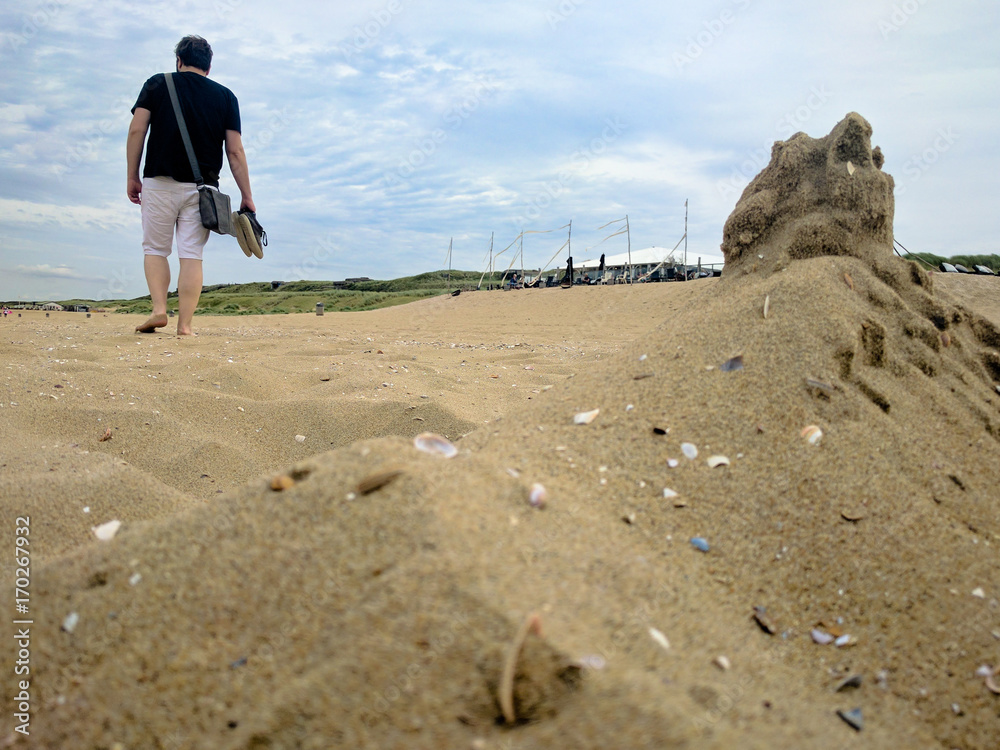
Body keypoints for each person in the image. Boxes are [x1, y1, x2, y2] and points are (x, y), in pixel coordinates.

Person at [126, 35, 255, 336]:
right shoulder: (226, 97)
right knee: (191, 254)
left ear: (179, 61)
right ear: (209, 68)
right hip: (204, 191)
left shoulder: (157, 84)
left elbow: (137, 131)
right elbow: (235, 152)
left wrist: (132, 176)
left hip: (159, 182)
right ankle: (185, 326)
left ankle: (159, 310)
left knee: (155, 249)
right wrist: (247, 195)